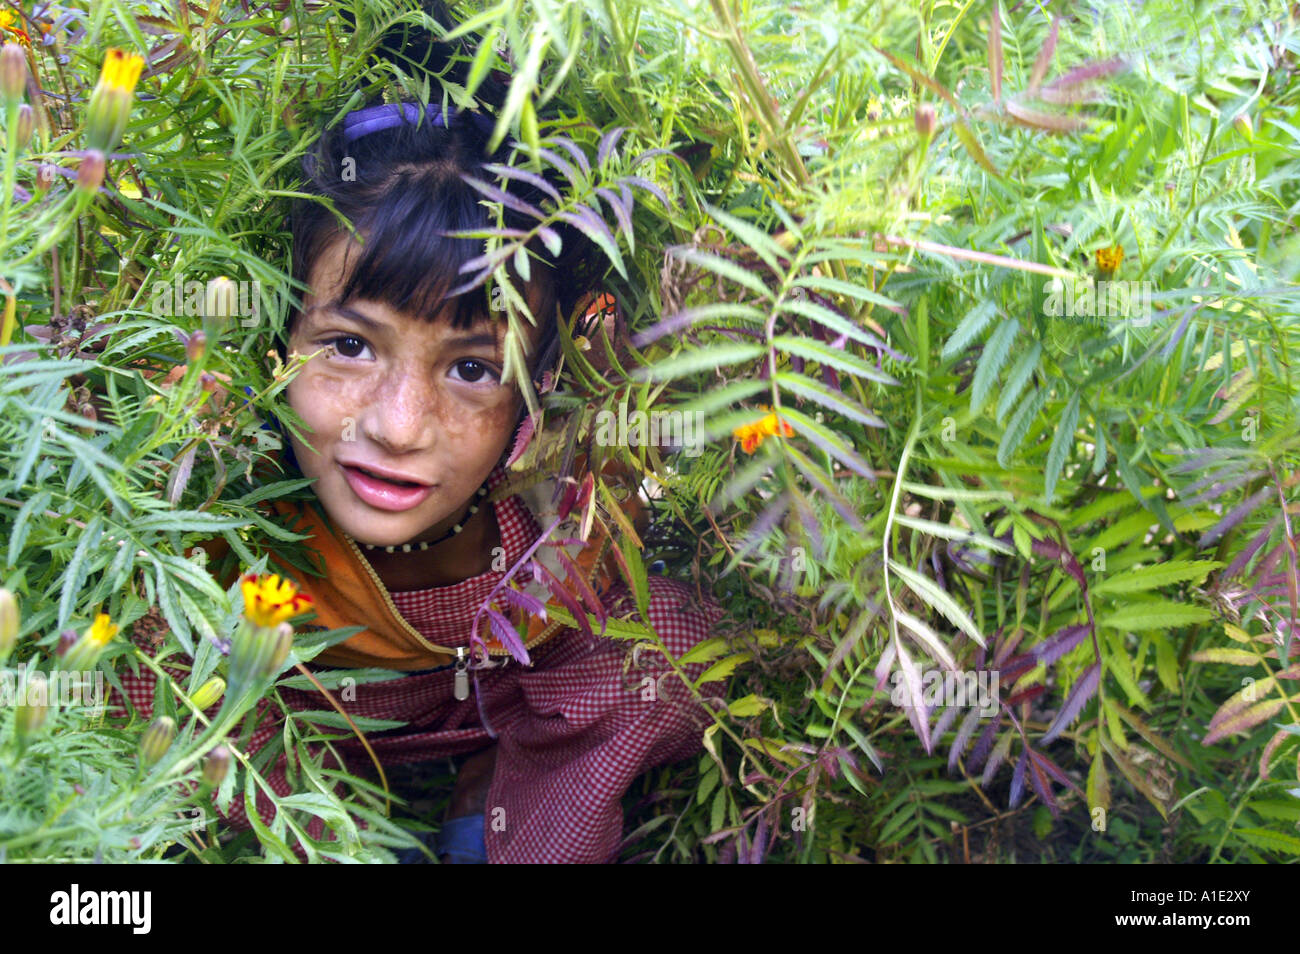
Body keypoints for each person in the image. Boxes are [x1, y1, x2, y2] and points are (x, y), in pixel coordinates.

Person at [109, 85, 728, 864]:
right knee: (141, 656)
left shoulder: (558, 477)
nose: (398, 427)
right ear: (275, 334)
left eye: (472, 367)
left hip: (504, 700)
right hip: (298, 719)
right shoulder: (222, 478)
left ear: (541, 375)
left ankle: (500, 799)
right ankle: (339, 834)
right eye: (348, 347)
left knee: (676, 645)